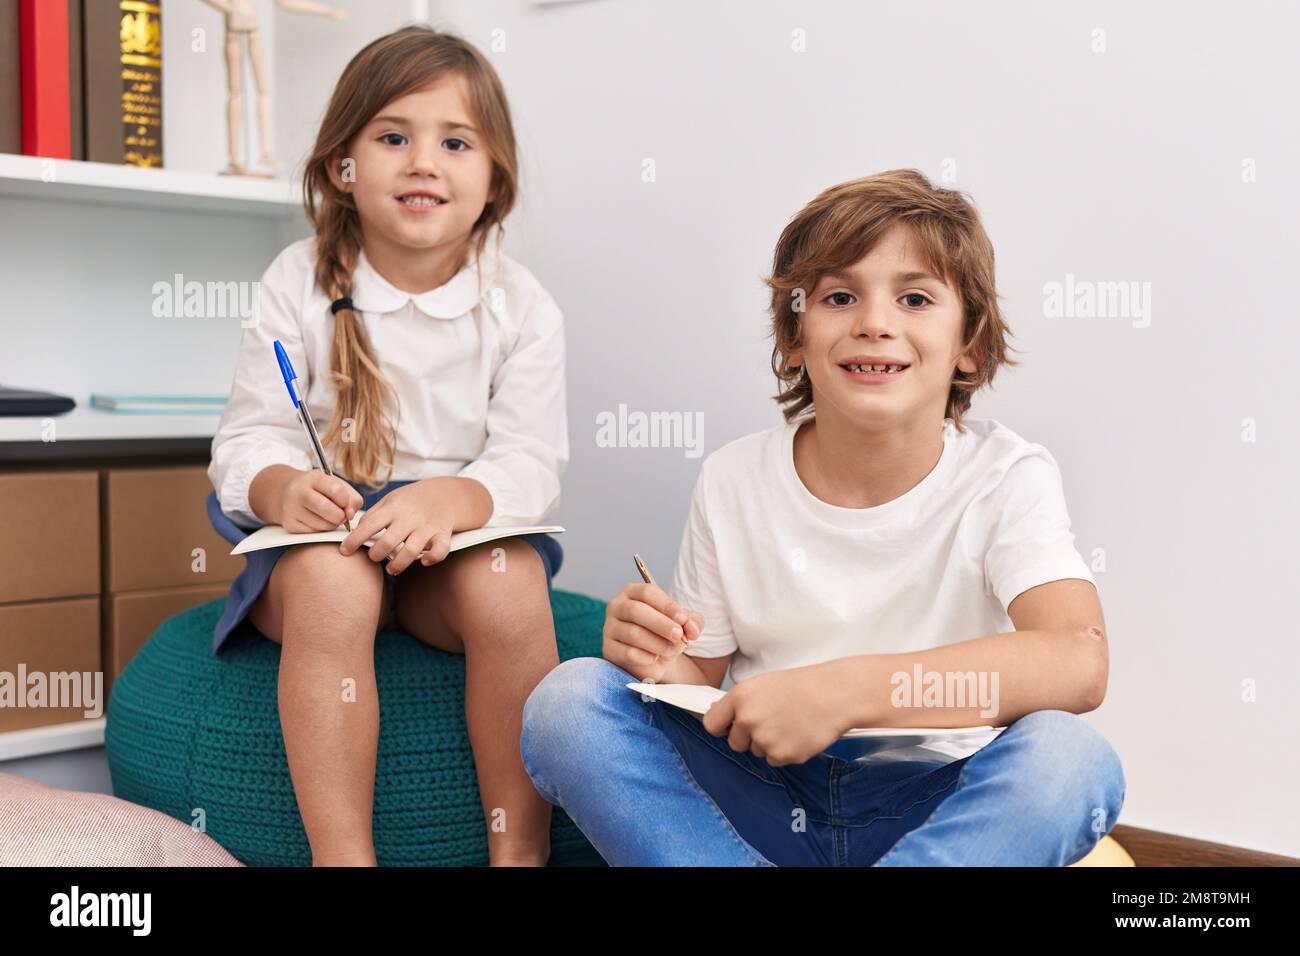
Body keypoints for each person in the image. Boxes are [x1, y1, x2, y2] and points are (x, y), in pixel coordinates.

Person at [520, 169, 1124, 866]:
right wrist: (655, 656)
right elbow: (697, 680)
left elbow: (1079, 660)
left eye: (915, 298)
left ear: (972, 347)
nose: (874, 321)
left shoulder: (1006, 478)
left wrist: (847, 692)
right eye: (839, 296)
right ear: (795, 339)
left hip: (933, 806)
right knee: (570, 701)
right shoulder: (733, 479)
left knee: (1070, 759)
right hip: (764, 799)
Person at [206, 26, 567, 867]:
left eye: (455, 142)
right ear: (344, 165)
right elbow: (246, 435)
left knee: (512, 591)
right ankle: (345, 859)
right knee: (336, 587)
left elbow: (530, 461)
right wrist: (280, 488)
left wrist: (456, 499)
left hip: (454, 546)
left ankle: (521, 853)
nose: (423, 162)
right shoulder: (296, 280)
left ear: (493, 178)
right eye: (392, 137)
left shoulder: (522, 304)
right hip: (322, 541)